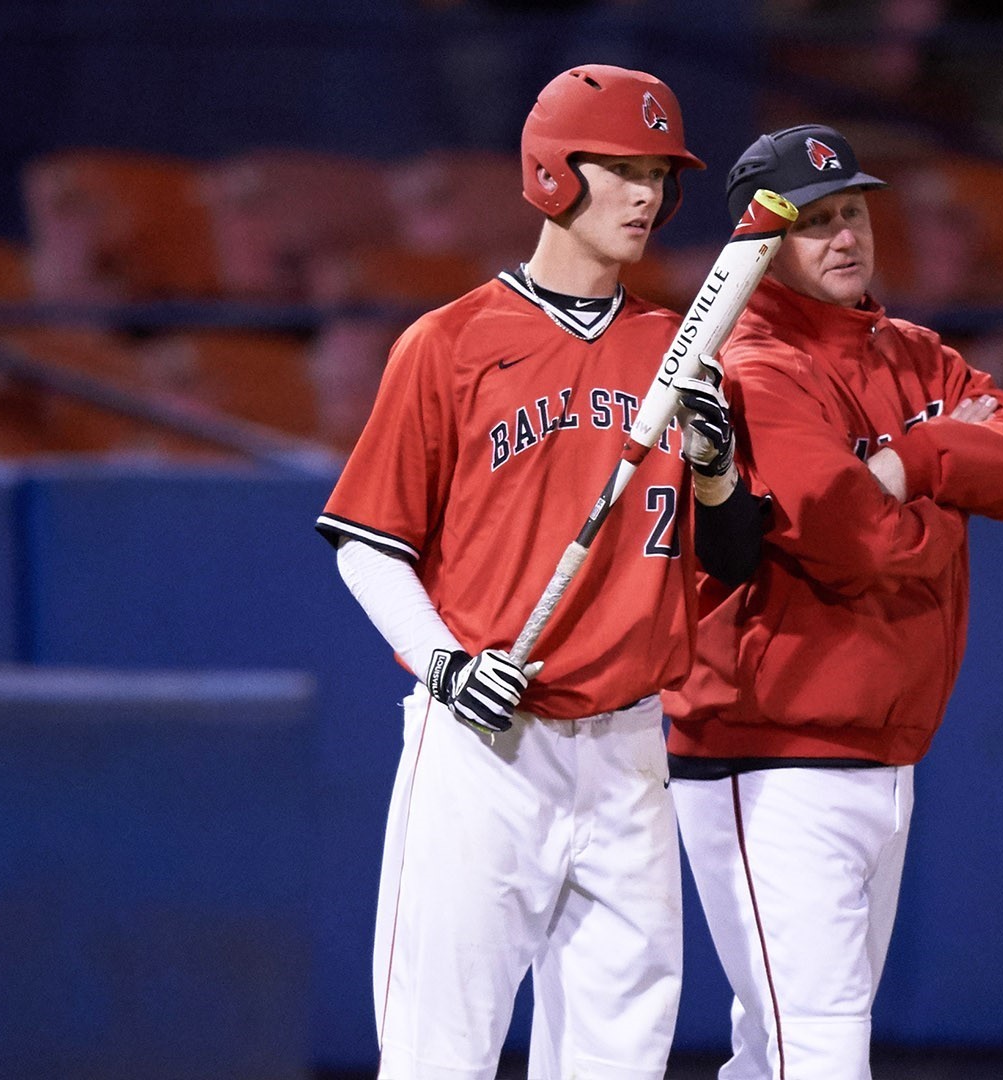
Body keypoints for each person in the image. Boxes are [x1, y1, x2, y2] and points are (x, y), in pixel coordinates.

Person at [314, 65, 767, 1080]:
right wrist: (444, 664)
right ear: (554, 174)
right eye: (623, 168)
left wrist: (718, 467)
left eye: (661, 172)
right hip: (487, 746)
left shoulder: (679, 352)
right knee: (439, 1056)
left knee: (620, 1063)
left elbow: (734, 562)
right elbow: (366, 540)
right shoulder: (449, 343)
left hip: (631, 749)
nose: (648, 193)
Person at [663, 123, 1003, 1079]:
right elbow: (853, 540)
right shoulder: (754, 365)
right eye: (814, 222)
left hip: (881, 756)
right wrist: (951, 508)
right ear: (764, 246)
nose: (846, 235)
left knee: (780, 1052)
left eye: (853, 211)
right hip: (764, 757)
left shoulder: (916, 354)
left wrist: (916, 458)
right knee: (820, 1048)